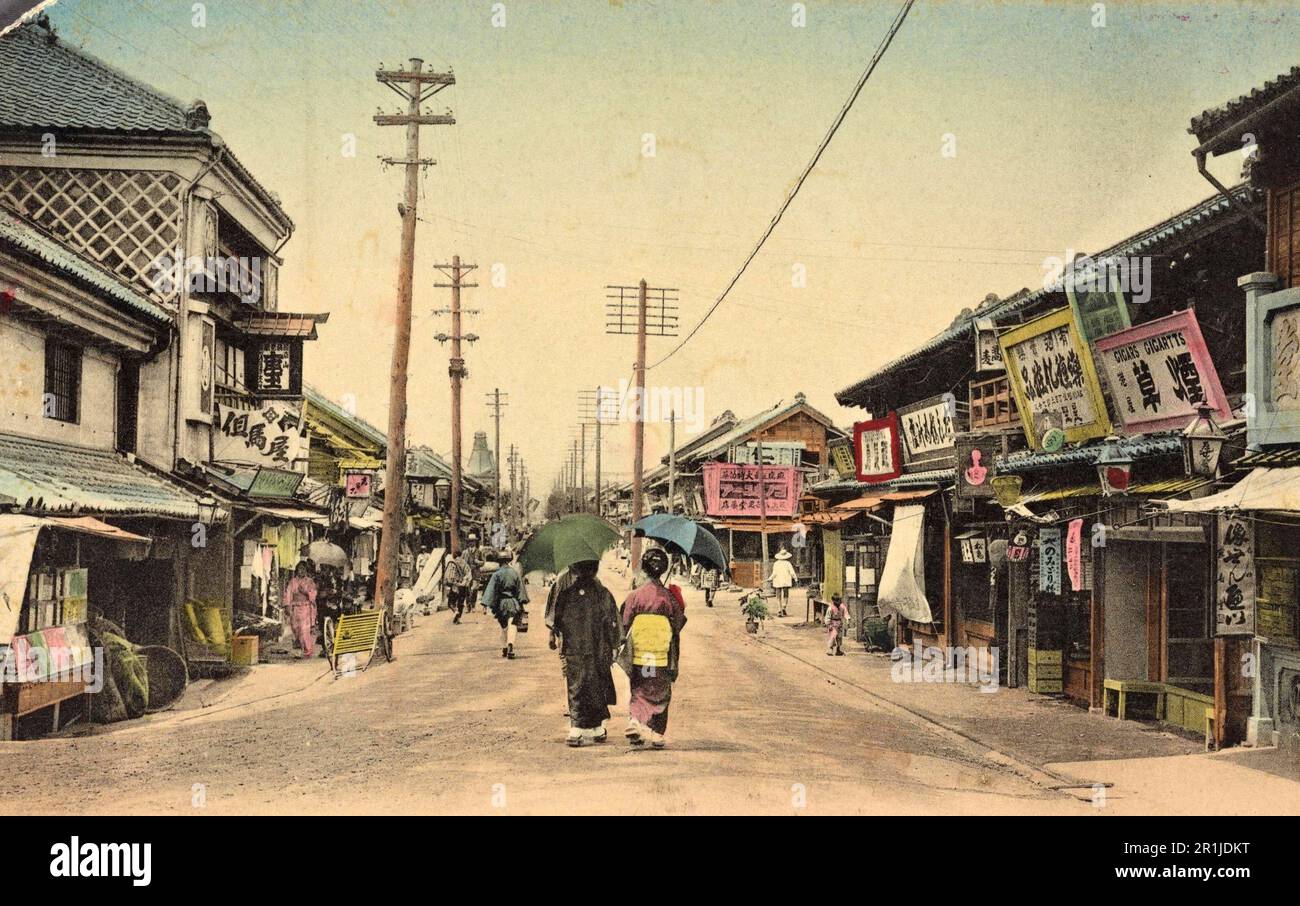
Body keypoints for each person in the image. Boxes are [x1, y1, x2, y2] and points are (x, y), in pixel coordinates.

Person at [545, 560, 622, 747]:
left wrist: (554, 634)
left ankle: (579, 727)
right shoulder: (601, 591)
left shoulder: (564, 589)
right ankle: (593, 727)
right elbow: (612, 621)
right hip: (597, 646)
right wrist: (614, 644)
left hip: (575, 646)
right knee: (595, 683)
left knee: (577, 684)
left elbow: (554, 618)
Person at [618, 548, 686, 749]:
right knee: (660, 689)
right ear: (663, 570)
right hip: (661, 653)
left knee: (640, 686)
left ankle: (636, 721)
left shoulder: (635, 596)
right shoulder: (668, 597)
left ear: (645, 570)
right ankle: (657, 733)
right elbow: (678, 622)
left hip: (641, 652)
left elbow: (624, 621)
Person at [482, 548, 529, 659]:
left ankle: (504, 647)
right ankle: (510, 645)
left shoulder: (496, 574)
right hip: (513, 602)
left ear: (499, 561)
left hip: (501, 603)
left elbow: (491, 591)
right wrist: (522, 601)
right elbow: (520, 590)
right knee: (512, 624)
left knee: (504, 626)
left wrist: (487, 604)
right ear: (509, 560)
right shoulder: (515, 573)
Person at [284, 560, 318, 659]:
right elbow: (288, 594)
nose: (301, 571)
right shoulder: (293, 581)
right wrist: (287, 605)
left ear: (306, 571)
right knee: (295, 628)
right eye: (299, 569)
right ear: (297, 570)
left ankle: (307, 651)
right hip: (295, 607)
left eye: (303, 569)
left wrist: (306, 592)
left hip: (305, 607)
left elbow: (313, 594)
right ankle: (299, 649)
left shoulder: (310, 581)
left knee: (304, 629)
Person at [443, 548, 473, 624]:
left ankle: (455, 611)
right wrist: (465, 582)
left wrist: (449, 583)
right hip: (464, 586)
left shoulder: (452, 562)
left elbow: (449, 576)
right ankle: (458, 619)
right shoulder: (464, 563)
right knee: (461, 603)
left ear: (455, 555)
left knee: (450, 603)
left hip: (455, 586)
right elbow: (469, 574)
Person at [769, 547, 797, 618]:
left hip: (778, 581)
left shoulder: (776, 563)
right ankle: (784, 607)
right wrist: (795, 579)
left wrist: (770, 578)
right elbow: (792, 573)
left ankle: (779, 610)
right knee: (786, 595)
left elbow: (774, 573)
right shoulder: (788, 563)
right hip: (786, 582)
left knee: (778, 596)